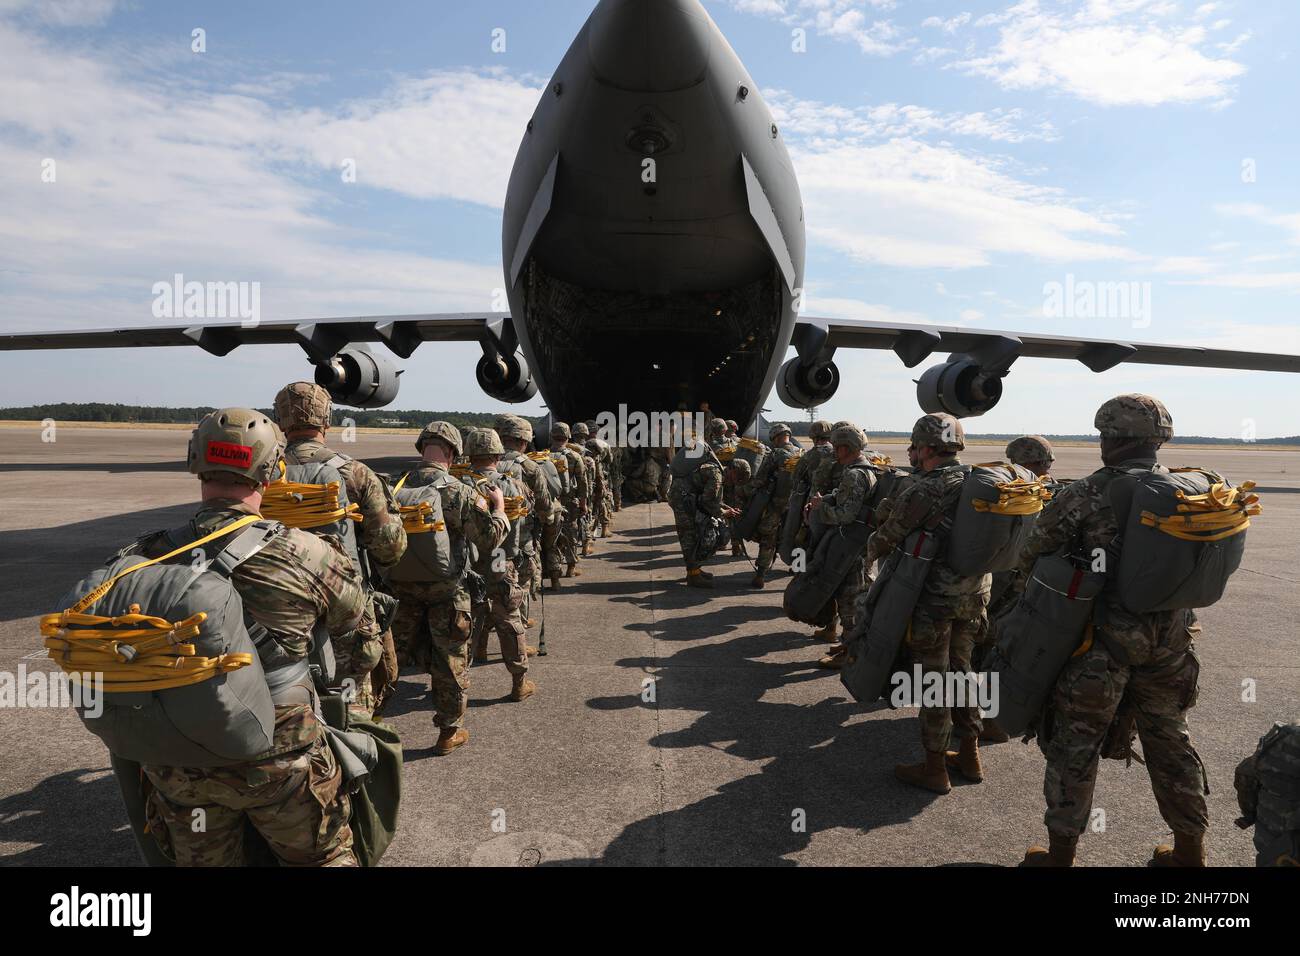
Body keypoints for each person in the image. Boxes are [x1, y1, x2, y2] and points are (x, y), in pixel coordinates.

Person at [135, 408, 364, 864]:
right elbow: (360, 638)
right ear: (271, 469)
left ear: (195, 462)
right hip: (280, 762)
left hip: (180, 763)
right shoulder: (308, 552)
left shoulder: (148, 555)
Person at [1012, 395, 1210, 867]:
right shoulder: (1187, 488)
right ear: (1158, 439)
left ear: (1109, 438)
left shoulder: (1087, 491)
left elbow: (1032, 553)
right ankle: (1189, 851)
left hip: (1101, 646)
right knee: (1171, 741)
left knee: (1075, 746)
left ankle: (1060, 857)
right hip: (1172, 643)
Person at [865, 413, 989, 794]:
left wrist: (870, 550)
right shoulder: (974, 481)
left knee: (934, 682)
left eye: (917, 446)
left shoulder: (925, 488)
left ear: (925, 447)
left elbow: (887, 535)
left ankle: (934, 768)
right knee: (963, 672)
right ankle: (969, 753)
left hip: (933, 602)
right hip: (973, 598)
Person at [272, 382, 407, 719]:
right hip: (344, 613)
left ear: (280, 421)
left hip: (274, 612)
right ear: (327, 421)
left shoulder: (262, 474)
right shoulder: (355, 473)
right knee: (352, 712)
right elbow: (389, 549)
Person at [387, 422, 509, 755]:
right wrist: (498, 508)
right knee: (450, 661)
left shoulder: (392, 486)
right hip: (448, 590)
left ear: (421, 447)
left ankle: (369, 721)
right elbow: (489, 539)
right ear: (453, 453)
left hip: (401, 588)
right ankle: (447, 733)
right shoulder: (459, 491)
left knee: (390, 658)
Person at [459, 428, 537, 703]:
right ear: (497, 453)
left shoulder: (457, 483)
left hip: (465, 565)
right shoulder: (510, 484)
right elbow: (528, 513)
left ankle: (460, 682)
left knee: (465, 620)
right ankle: (519, 682)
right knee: (509, 620)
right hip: (501, 561)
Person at [744, 423, 801, 588]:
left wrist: (749, 488)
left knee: (768, 538)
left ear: (776, 438)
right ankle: (798, 571)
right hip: (795, 505)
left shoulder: (775, 454)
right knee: (798, 537)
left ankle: (761, 575)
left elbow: (761, 477)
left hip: (775, 504)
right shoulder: (801, 454)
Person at [550, 422, 589, 577]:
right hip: (569, 501)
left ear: (552, 436)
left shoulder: (543, 455)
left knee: (552, 536)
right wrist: (584, 503)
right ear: (568, 437)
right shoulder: (574, 456)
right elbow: (582, 482)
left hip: (551, 502)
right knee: (571, 532)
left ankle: (554, 568)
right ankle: (571, 566)